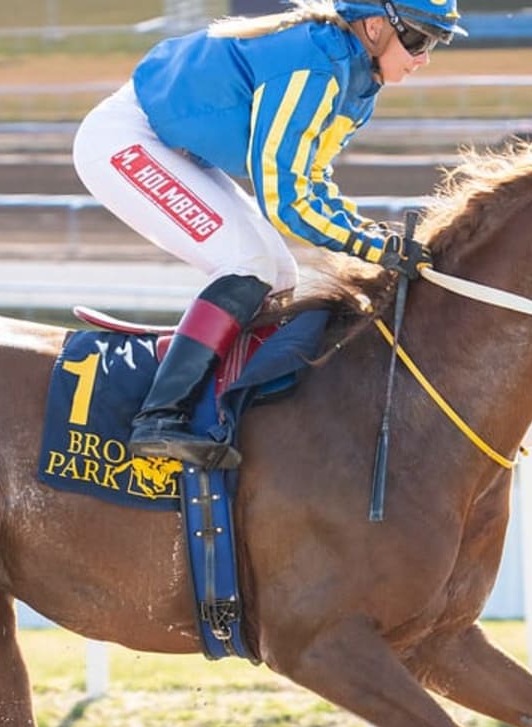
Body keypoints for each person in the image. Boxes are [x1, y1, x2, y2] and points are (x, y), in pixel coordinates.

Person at [73, 0, 465, 468]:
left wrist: (367, 234)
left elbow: (311, 181)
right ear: (376, 26)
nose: (423, 57)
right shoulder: (315, 67)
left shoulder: (358, 84)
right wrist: (371, 246)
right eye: (419, 39)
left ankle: (222, 404)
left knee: (280, 276)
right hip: (126, 139)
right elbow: (287, 202)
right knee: (249, 266)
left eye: (434, 44)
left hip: (172, 147)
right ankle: (159, 416)